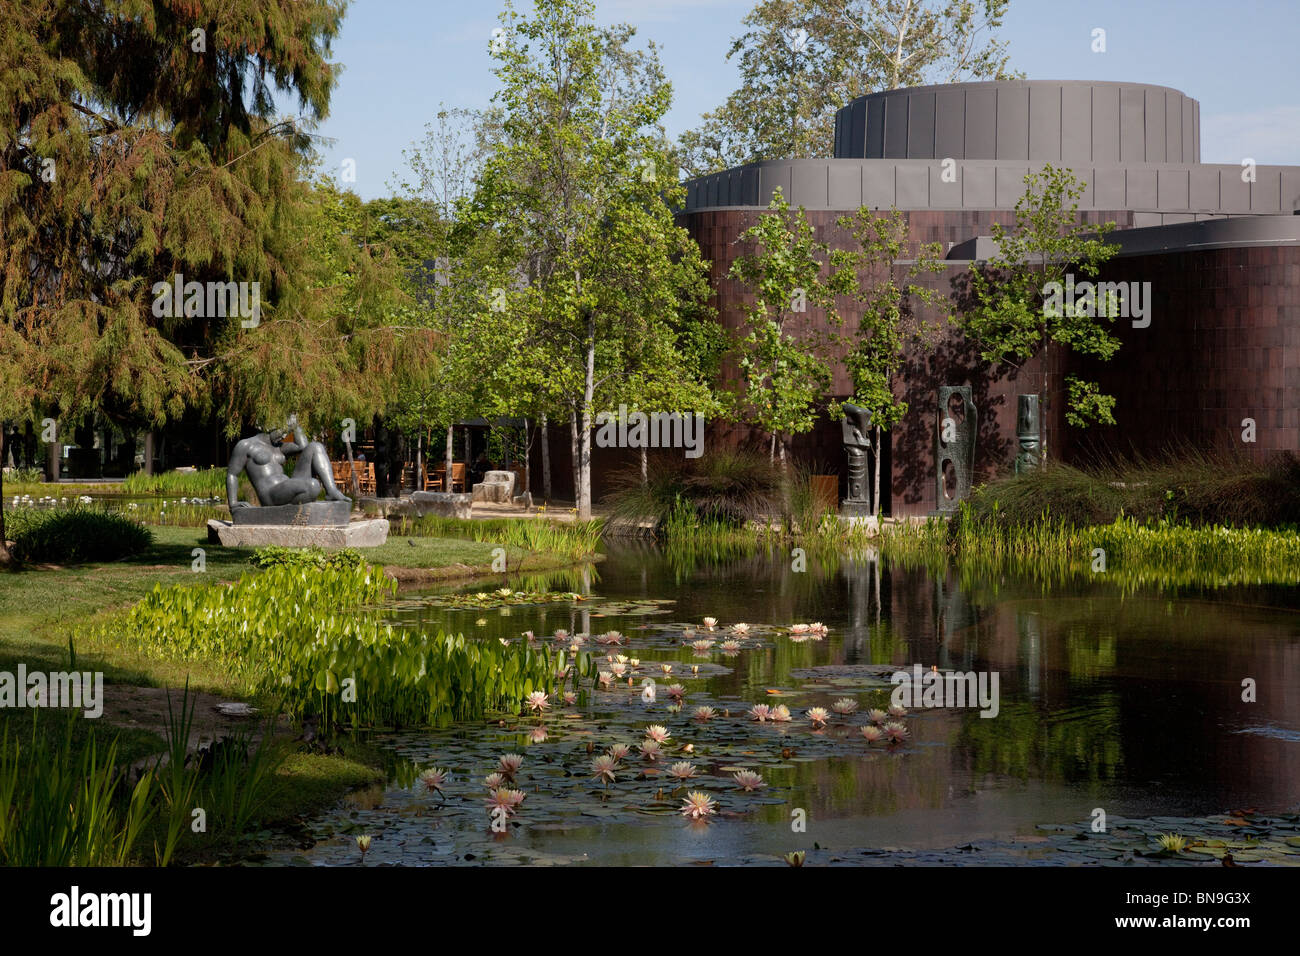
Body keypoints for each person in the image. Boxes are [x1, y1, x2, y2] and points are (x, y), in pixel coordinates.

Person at [226, 415, 350, 510]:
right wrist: (233, 503)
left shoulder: (279, 447)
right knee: (313, 485)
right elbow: (232, 474)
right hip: (271, 495)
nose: (284, 436)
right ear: (269, 428)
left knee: (315, 446)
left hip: (287, 487)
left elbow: (303, 446)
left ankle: (331, 491)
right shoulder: (246, 445)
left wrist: (295, 424)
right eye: (282, 431)